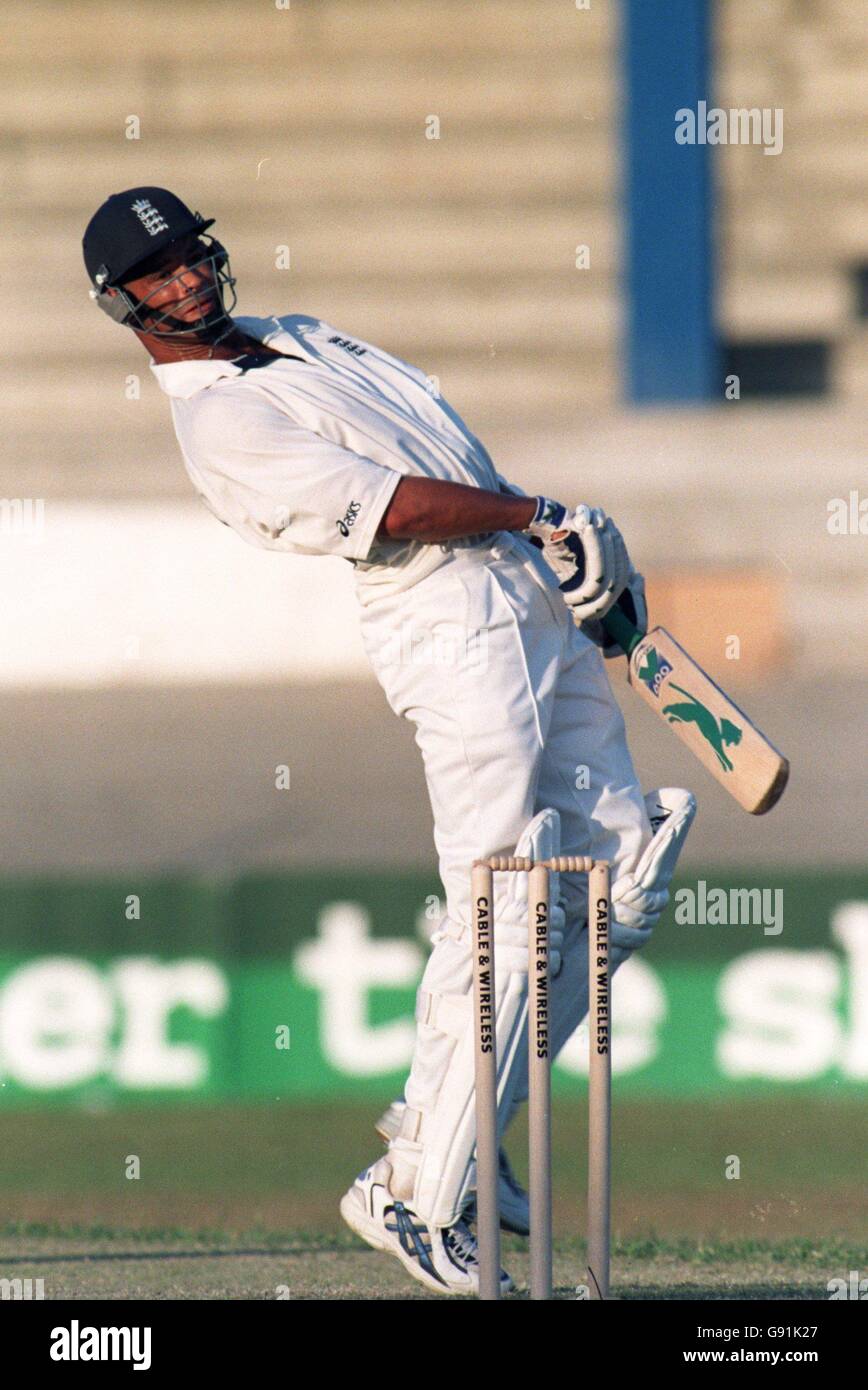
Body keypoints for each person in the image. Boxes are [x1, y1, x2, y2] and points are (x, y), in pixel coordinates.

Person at [83, 186, 695, 1296]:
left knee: (617, 883)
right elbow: (398, 507)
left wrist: (570, 556)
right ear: (121, 304)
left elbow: (453, 454)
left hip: (521, 591)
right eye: (158, 273)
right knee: (504, 896)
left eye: (192, 254)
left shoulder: (299, 334)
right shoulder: (222, 423)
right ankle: (413, 1195)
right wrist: (535, 517)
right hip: (442, 620)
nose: (188, 278)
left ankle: (455, 1139)